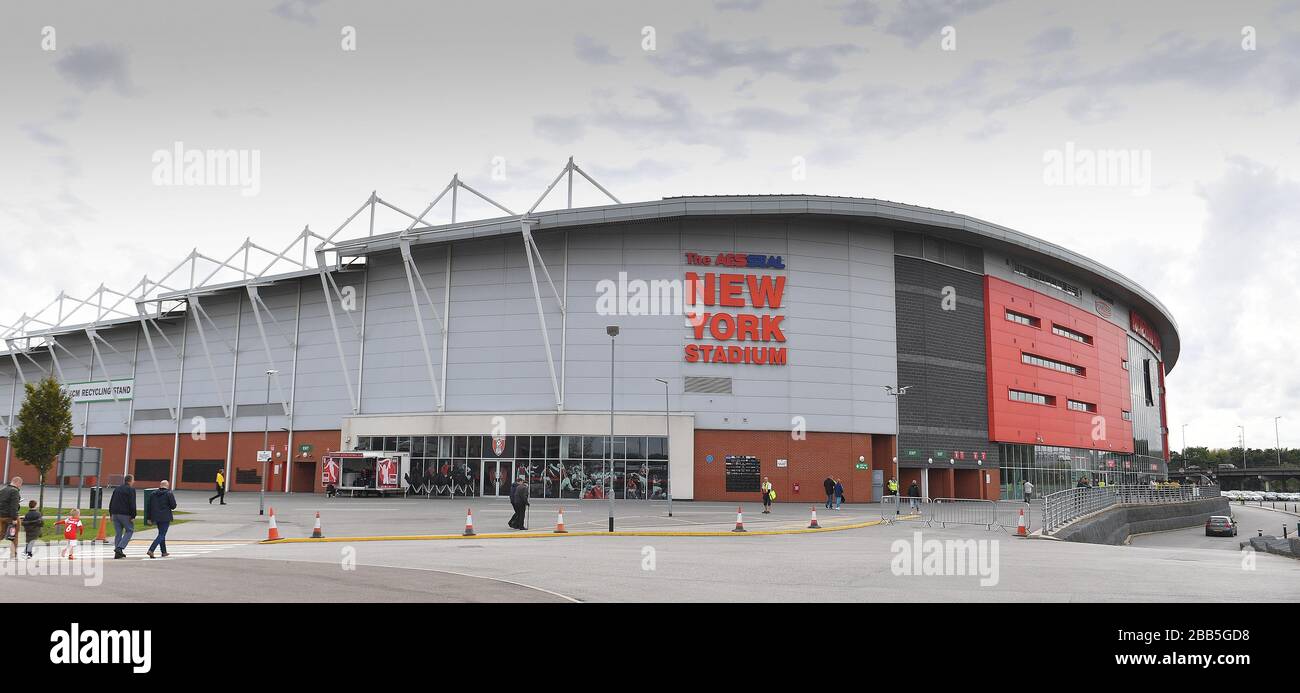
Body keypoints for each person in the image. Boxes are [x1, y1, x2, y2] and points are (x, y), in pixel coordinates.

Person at [108, 475, 137, 560]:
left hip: (115, 514)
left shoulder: (117, 489)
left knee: (118, 533)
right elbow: (132, 503)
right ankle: (119, 548)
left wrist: (111, 514)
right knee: (129, 530)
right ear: (130, 481)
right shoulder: (131, 490)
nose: (133, 482)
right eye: (133, 480)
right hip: (125, 514)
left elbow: (112, 501)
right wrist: (133, 515)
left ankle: (118, 554)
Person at [147, 480, 177, 559]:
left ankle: (163, 552)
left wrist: (149, 518)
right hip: (165, 516)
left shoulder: (153, 494)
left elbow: (149, 506)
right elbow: (173, 506)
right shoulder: (169, 493)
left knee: (161, 533)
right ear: (167, 486)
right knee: (161, 535)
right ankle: (151, 549)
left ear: (160, 485)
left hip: (156, 517)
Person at [0, 476, 22, 559]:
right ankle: (13, 554)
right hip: (10, 517)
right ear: (18, 483)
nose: (20, 487)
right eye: (20, 485)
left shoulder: (2, 490)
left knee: (1, 535)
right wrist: (14, 519)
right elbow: (14, 507)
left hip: (1, 516)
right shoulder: (15, 491)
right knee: (14, 536)